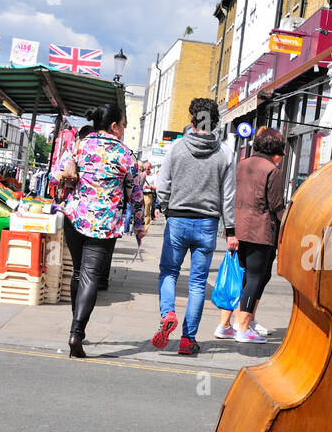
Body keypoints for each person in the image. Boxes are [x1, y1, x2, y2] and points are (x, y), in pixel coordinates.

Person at [152, 98, 237, 356]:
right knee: (198, 283)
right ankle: (188, 340)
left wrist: (165, 207)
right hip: (207, 223)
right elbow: (229, 195)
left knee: (169, 272)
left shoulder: (177, 148)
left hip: (177, 219)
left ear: (192, 120)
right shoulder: (225, 153)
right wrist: (230, 229)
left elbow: (162, 184)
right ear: (215, 122)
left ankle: (168, 313)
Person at [50, 103, 135, 358]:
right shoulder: (124, 153)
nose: (122, 130)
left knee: (79, 273)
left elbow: (55, 175)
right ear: (113, 126)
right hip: (104, 224)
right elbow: (136, 193)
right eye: (122, 125)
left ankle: (75, 326)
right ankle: (77, 333)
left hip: (75, 218)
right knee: (90, 277)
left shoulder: (79, 146)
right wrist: (139, 223)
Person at [214, 128, 287, 343]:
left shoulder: (242, 164)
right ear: (275, 151)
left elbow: (228, 197)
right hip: (260, 231)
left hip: (238, 229)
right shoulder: (272, 171)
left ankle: (226, 325)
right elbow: (275, 206)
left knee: (239, 278)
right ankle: (243, 328)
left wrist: (229, 230)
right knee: (254, 278)